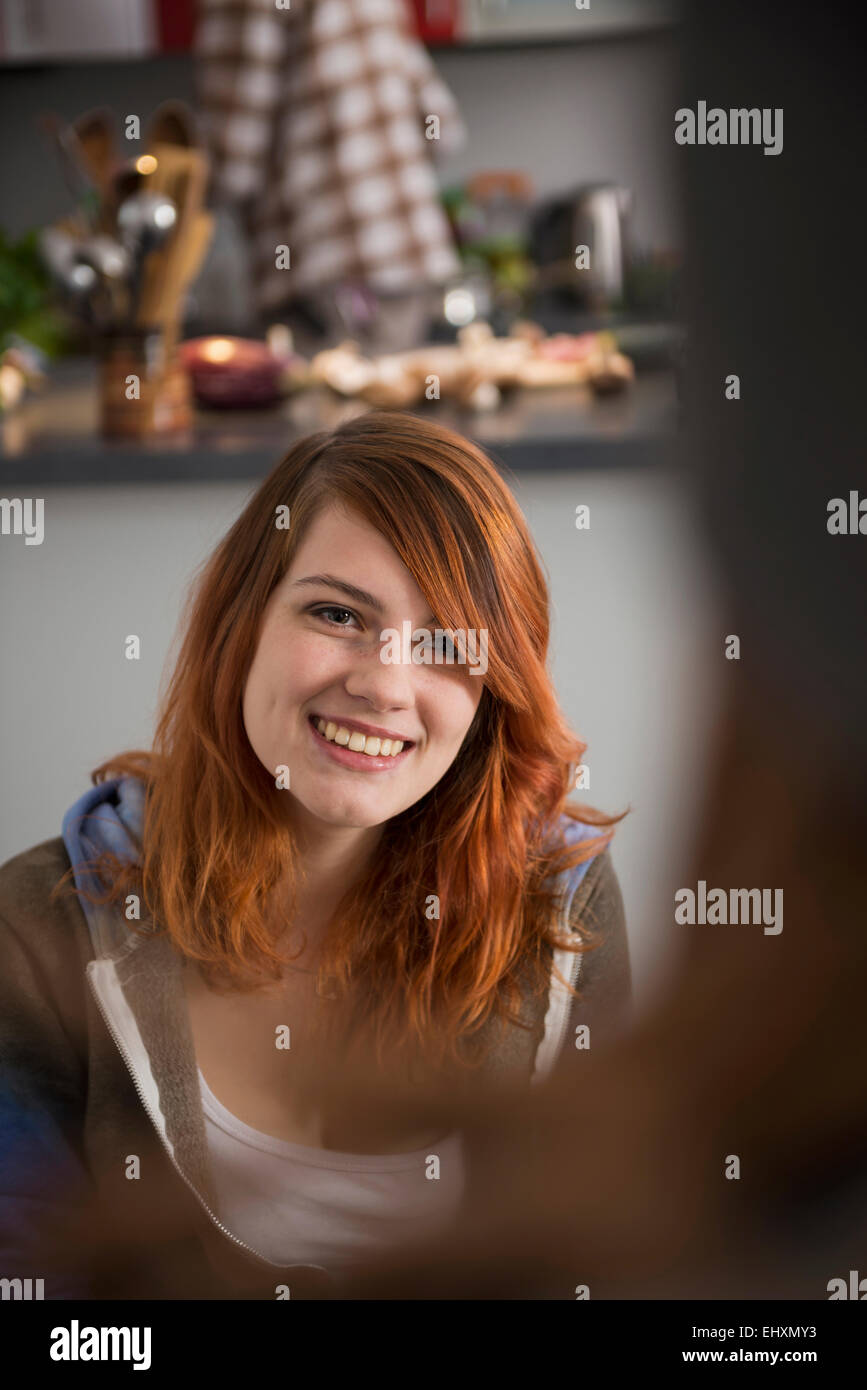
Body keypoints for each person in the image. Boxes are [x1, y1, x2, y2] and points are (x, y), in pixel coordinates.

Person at [0, 410, 631, 1299]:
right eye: (337, 613)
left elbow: (606, 1265)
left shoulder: (561, 906)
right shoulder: (36, 927)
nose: (382, 682)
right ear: (241, 621)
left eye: (447, 644)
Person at [193, 0, 466, 353]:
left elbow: (233, 161)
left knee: (331, 402)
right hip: (409, 255)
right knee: (391, 400)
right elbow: (443, 129)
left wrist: (158, 194)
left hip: (320, 276)